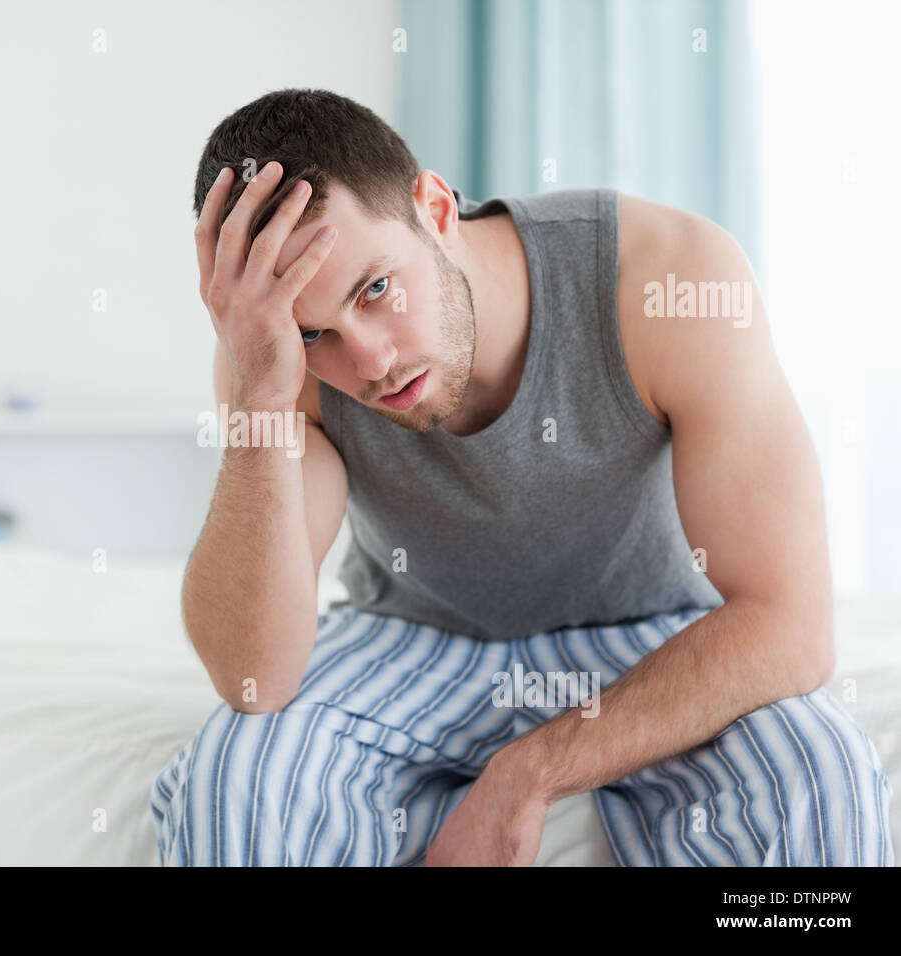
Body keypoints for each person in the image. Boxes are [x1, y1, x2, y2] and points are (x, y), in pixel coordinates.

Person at [151, 88, 894, 867]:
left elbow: (790, 625)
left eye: (376, 289)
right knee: (235, 782)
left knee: (822, 777)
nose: (367, 361)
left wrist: (530, 773)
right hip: (414, 637)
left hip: (659, 637)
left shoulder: (669, 276)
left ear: (435, 208)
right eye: (316, 332)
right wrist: (260, 392)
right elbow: (254, 676)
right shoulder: (276, 364)